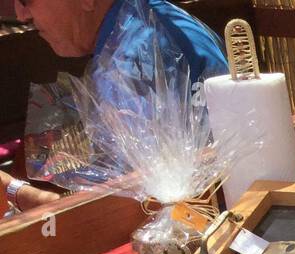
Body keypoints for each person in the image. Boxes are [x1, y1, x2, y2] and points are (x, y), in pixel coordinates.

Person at [3, 0, 229, 213]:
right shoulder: (150, 19)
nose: (21, 15)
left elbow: (137, 210)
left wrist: (15, 192)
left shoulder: (126, 66)